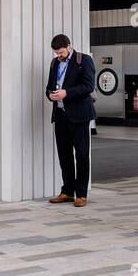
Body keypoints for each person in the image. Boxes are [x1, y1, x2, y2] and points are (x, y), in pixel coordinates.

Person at [44, 34, 96, 208]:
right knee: (64, 155)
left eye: (61, 52)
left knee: (81, 155)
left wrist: (67, 93)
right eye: (56, 53)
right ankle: (67, 191)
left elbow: (89, 86)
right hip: (60, 115)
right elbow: (49, 86)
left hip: (80, 115)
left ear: (68, 46)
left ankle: (81, 194)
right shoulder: (55, 63)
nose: (59, 55)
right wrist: (50, 95)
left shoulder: (84, 60)